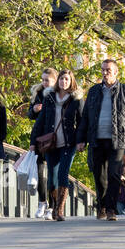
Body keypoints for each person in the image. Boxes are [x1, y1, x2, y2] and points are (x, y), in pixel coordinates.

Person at [76, 58, 125, 221]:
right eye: (103, 70)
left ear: (116, 72)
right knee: (99, 176)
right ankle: (102, 206)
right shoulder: (94, 91)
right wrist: (81, 139)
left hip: (118, 141)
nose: (104, 73)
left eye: (108, 70)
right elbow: (85, 118)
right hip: (96, 140)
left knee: (114, 174)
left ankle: (111, 209)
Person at [31, 68, 84, 220]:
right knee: (52, 177)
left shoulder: (76, 99)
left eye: (67, 79)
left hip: (68, 143)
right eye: (61, 79)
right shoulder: (49, 97)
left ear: (71, 81)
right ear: (58, 81)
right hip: (51, 143)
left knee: (63, 174)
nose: (64, 82)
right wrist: (33, 142)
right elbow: (40, 121)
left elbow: (81, 122)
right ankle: (53, 207)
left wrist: (81, 141)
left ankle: (60, 209)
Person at [26, 69, 58, 218]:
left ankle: (52, 207)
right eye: (43, 79)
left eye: (47, 80)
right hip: (40, 138)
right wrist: (34, 109)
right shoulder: (39, 94)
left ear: (54, 80)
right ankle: (42, 202)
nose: (44, 83)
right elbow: (30, 116)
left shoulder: (59, 95)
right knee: (39, 173)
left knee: (53, 173)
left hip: (55, 138)